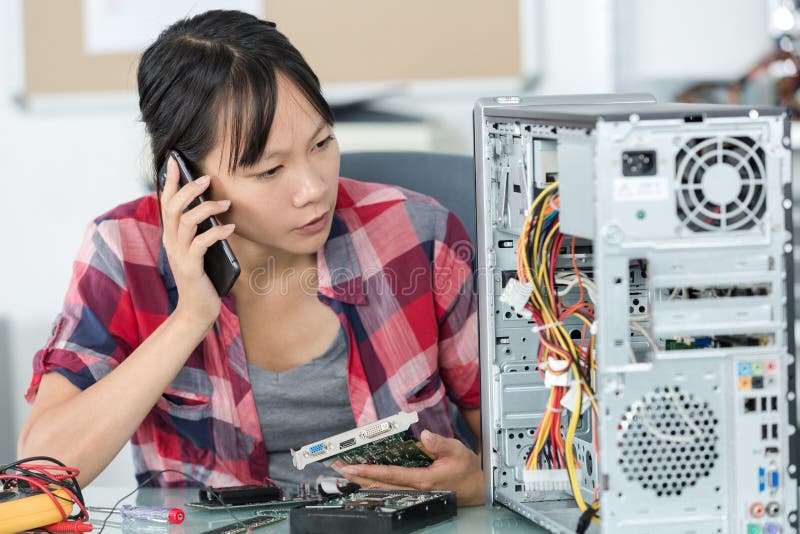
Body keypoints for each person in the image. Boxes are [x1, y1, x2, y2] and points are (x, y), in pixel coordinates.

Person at [17, 10, 482, 505]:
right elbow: (40, 477)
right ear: (184, 176)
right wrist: (190, 318)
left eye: (322, 142)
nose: (313, 188)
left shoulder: (419, 234)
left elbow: (529, 451)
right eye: (268, 170)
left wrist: (478, 484)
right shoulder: (123, 252)